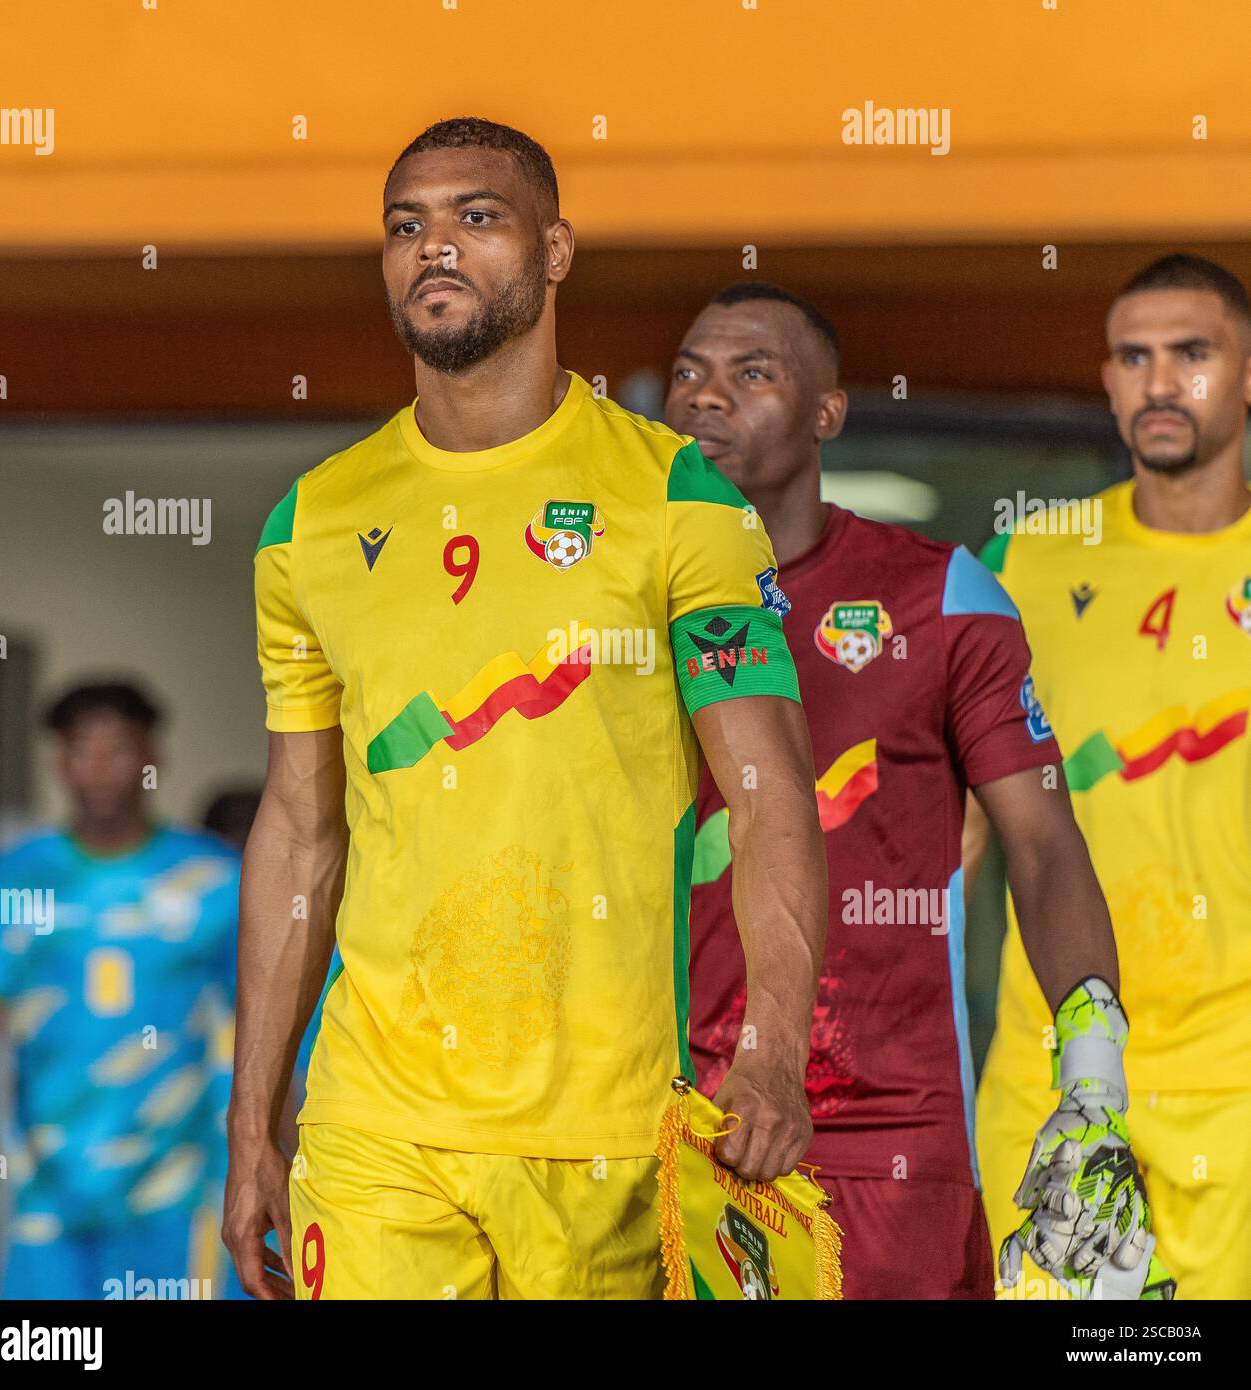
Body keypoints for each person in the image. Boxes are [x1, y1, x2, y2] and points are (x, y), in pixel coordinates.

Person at [222, 118, 827, 1302]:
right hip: (374, 1126)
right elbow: (300, 829)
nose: (432, 248)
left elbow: (767, 800)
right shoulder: (311, 524)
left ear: (554, 252)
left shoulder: (677, 497)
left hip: (602, 1131)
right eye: (406, 227)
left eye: (474, 218)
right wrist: (254, 1118)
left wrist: (771, 1050)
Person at [668, 281, 1169, 1299]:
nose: (705, 400)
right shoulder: (622, 603)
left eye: (750, 373)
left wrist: (1093, 1077)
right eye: (687, 375)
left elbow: (1040, 842)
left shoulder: (940, 597)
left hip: (887, 1133)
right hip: (669, 1114)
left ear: (826, 413)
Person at [972, 253, 1251, 1300]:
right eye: (1133, 357)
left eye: (1191, 354)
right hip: (1051, 1081)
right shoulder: (1024, 563)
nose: (1158, 381)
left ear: (1247, 373)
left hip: (1236, 1087)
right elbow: (954, 834)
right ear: (1106, 381)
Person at [0, 681, 240, 1299]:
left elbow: (272, 1029)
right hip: (47, 1198)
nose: (100, 768)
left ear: (153, 758)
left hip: (179, 1196)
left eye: (119, 749)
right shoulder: (10, 879)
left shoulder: (216, 879)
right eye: (81, 749)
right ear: (59, 762)